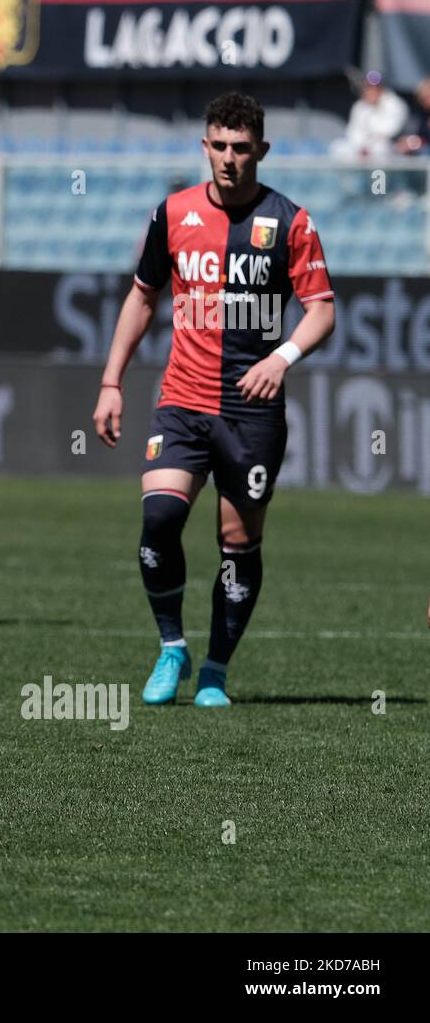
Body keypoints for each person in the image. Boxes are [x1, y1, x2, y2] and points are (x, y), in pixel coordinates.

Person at [93, 92, 336, 708]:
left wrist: (282, 358)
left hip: (251, 414)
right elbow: (143, 298)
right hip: (182, 400)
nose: (229, 159)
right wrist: (111, 381)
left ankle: (216, 671)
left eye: (241, 148)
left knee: (237, 541)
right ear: (206, 147)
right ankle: (172, 645)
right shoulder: (172, 214)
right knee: (159, 522)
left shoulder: (290, 222)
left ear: (262, 150)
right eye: (219, 147)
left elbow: (322, 311)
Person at [330, 71, 408, 162]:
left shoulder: (395, 104)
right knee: (337, 147)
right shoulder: (360, 106)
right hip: (361, 147)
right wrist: (360, 146)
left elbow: (389, 131)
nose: (369, 91)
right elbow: (353, 131)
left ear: (381, 88)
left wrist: (368, 145)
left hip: (390, 146)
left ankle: (379, 176)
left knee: (380, 148)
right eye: (367, 88)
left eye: (373, 88)